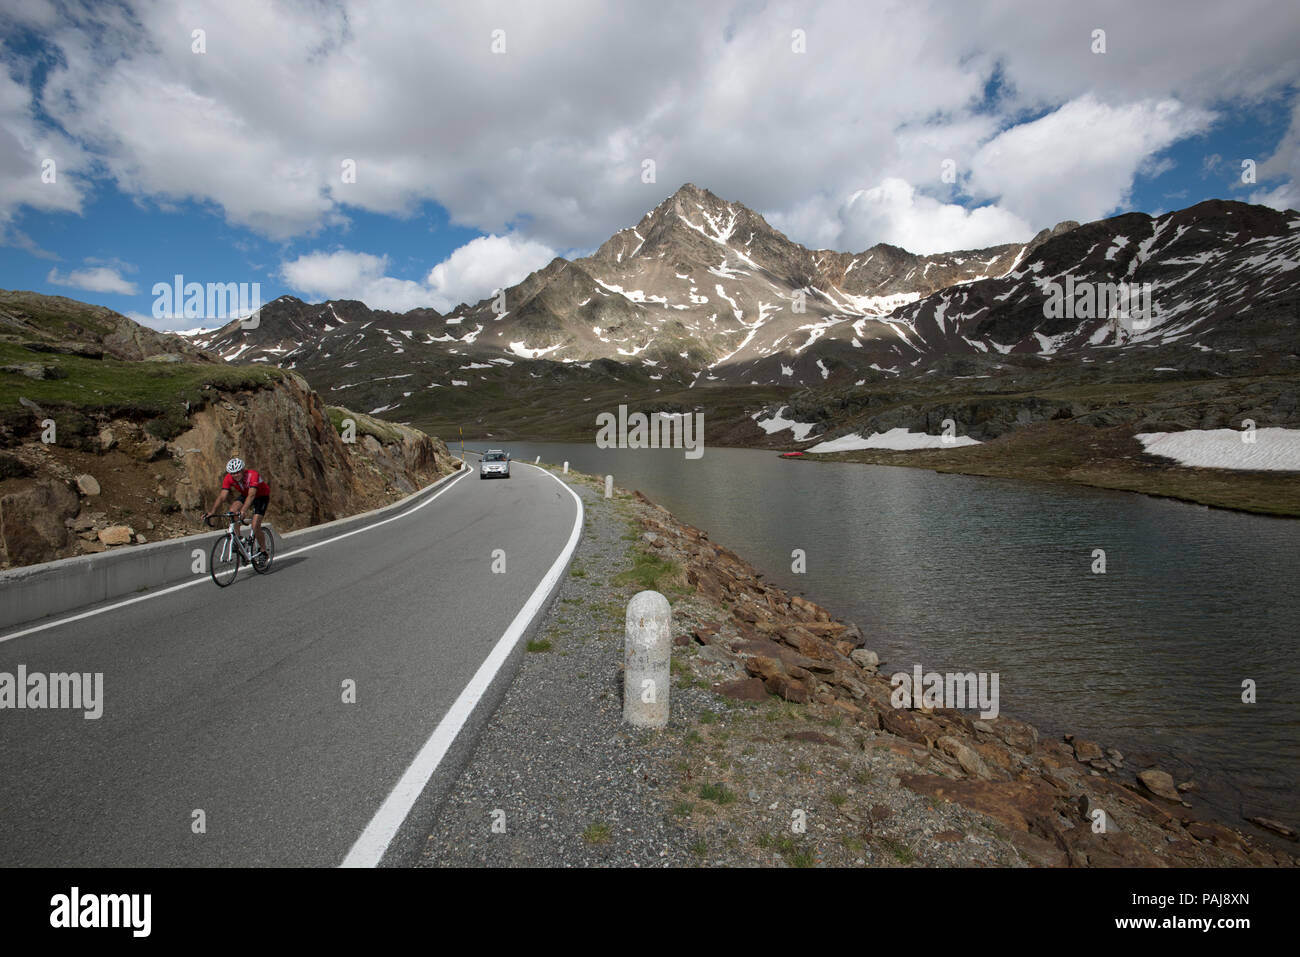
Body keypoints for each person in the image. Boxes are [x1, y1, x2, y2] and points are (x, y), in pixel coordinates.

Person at [203, 457, 271, 557]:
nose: (235, 475)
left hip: (261, 496)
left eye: (238, 472)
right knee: (232, 511)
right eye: (233, 473)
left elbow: (252, 495)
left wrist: (243, 510)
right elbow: (222, 496)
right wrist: (212, 512)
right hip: (245, 494)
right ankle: (240, 539)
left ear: (243, 470)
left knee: (255, 525)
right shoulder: (228, 478)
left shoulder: (253, 475)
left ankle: (263, 550)